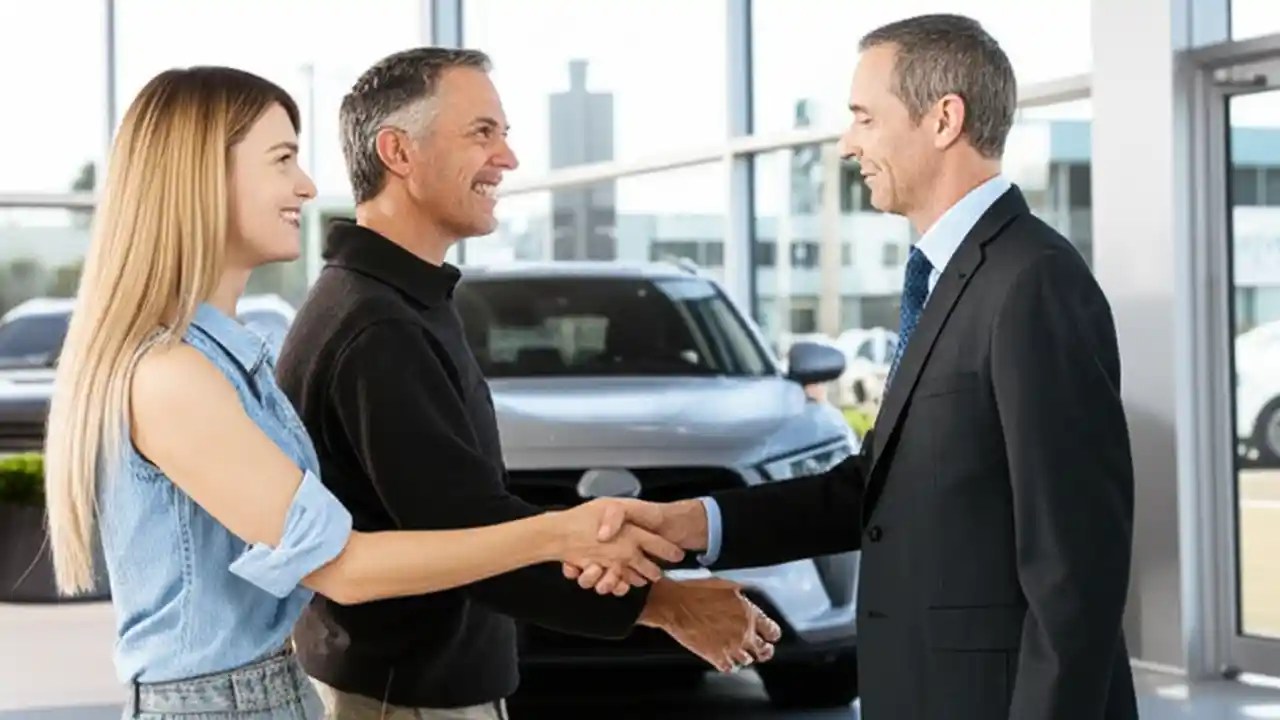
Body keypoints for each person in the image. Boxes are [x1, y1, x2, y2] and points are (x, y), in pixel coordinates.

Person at [40, 66, 691, 720]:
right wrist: (560, 534)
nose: (307, 184)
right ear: (202, 176)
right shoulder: (173, 376)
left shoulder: (230, 356)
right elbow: (344, 567)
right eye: (282, 159)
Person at [570, 13, 1139, 720]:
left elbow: (1076, 567)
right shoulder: (949, 278)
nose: (848, 144)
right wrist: (693, 522)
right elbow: (876, 490)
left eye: (864, 118)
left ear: (943, 119)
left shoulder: (1033, 282)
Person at [274, 47, 779, 719]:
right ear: (398, 151)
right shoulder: (377, 326)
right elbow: (469, 531)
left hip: (416, 684)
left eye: (504, 135)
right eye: (482, 133)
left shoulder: (398, 301)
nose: (507, 159)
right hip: (408, 697)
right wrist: (667, 604)